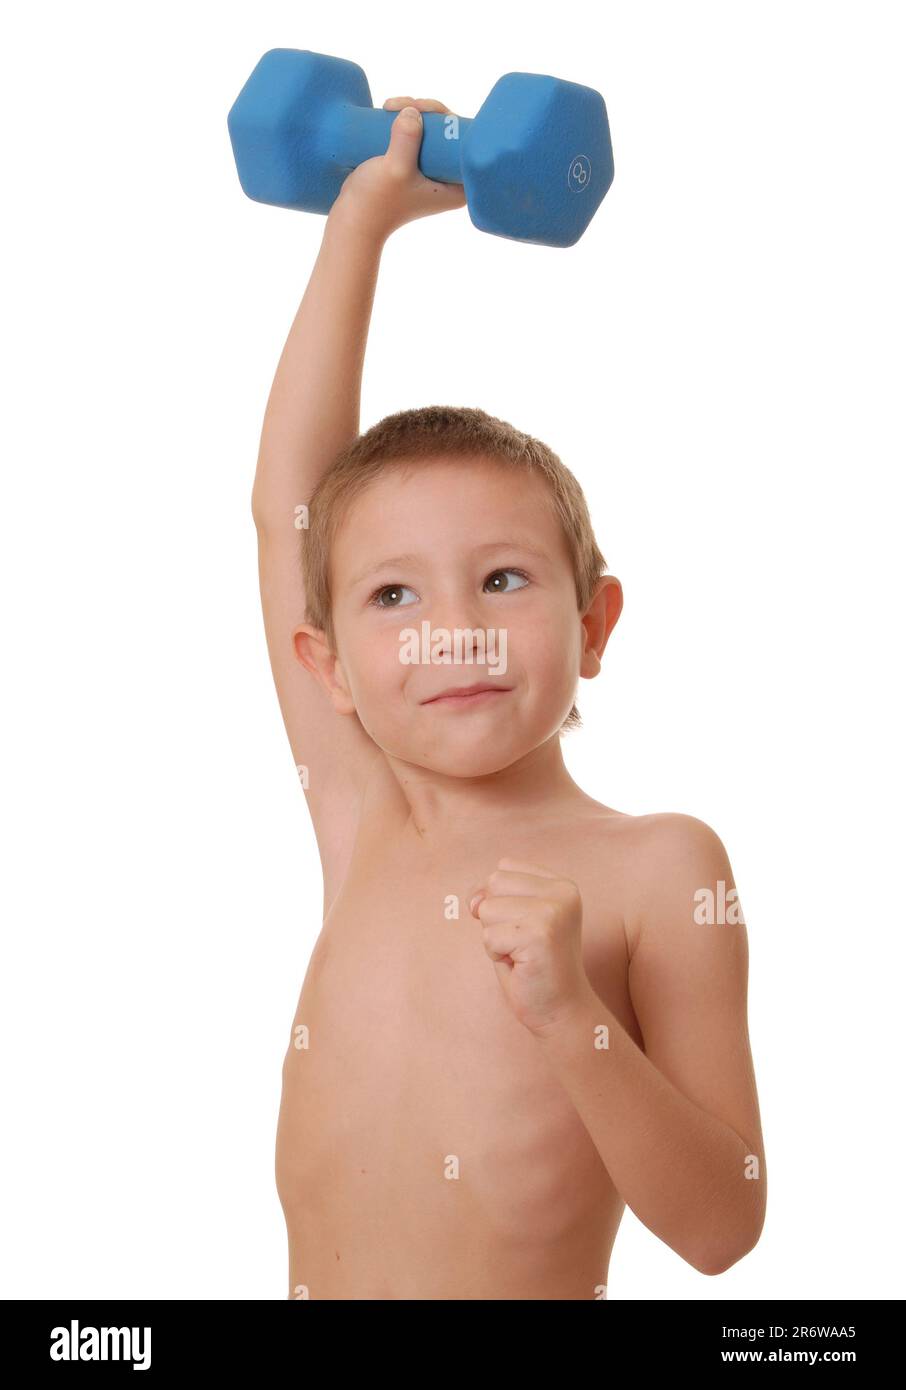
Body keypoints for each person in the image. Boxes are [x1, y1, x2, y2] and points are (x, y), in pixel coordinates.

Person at [249, 97, 766, 1300]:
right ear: (328, 665)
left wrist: (571, 1010)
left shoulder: (658, 867)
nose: (451, 629)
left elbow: (724, 1224)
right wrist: (361, 224)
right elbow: (289, 510)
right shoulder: (367, 809)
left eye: (502, 578)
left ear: (593, 625)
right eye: (390, 597)